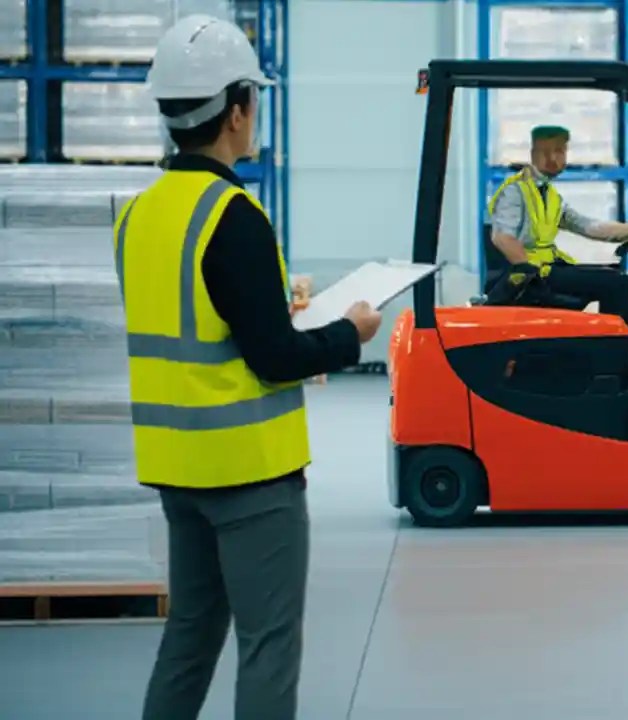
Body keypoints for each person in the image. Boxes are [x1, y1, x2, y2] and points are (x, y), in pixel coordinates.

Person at [113, 15, 382, 720]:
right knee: (268, 645)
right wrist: (349, 335)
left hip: (177, 469)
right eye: (253, 100)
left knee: (189, 636)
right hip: (250, 477)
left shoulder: (138, 216)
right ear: (236, 109)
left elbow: (198, 326)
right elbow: (274, 358)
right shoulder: (233, 215)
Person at [488, 124, 628, 374]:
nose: (553, 159)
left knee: (613, 276)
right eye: (545, 152)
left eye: (559, 151)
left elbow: (589, 226)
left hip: (548, 270)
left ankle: (615, 359)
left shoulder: (550, 196)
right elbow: (502, 237)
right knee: (617, 284)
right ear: (532, 154)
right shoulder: (514, 191)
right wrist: (531, 275)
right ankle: (626, 363)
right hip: (532, 276)